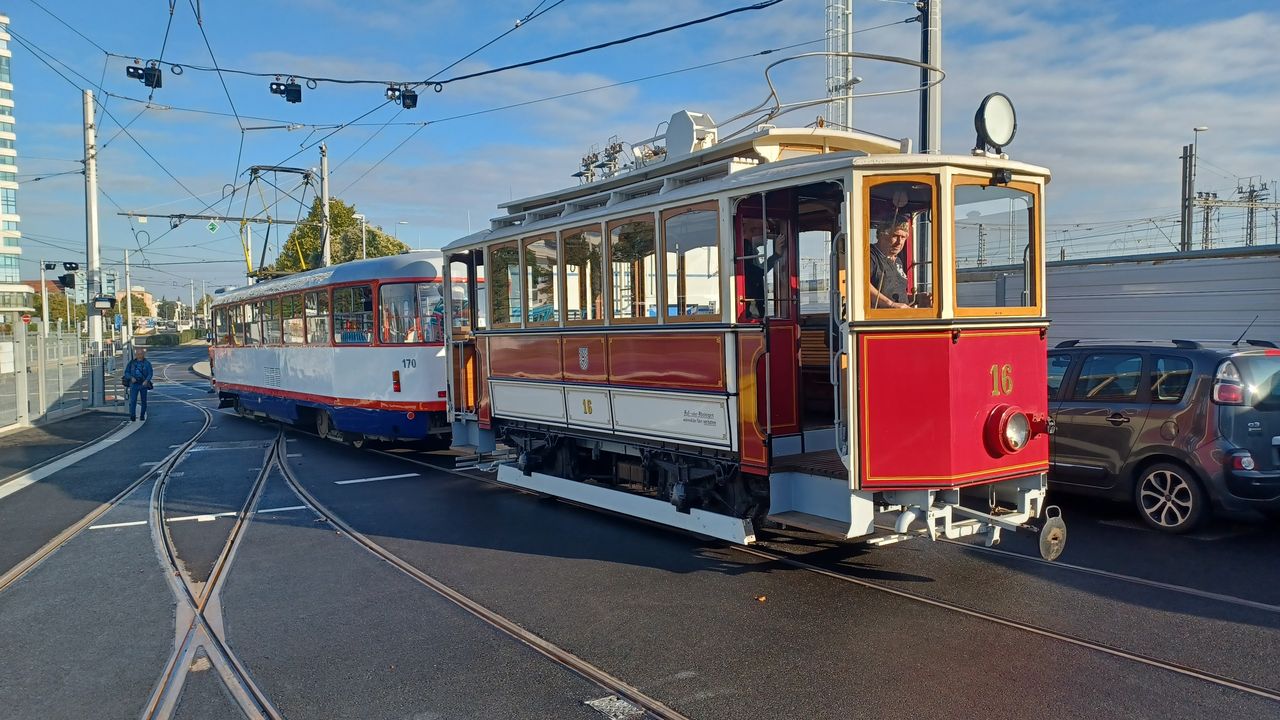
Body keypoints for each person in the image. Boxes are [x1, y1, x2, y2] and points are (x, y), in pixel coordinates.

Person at [869, 221, 911, 309]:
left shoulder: (897, 260)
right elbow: (862, 285)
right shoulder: (870, 255)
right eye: (895, 236)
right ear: (881, 235)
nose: (899, 242)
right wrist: (890, 304)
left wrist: (916, 298)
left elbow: (894, 295)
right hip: (878, 319)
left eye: (903, 237)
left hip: (900, 317)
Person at [122, 347, 154, 421]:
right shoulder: (131, 363)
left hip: (143, 384)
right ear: (135, 355)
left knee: (144, 400)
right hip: (134, 384)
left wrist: (146, 380)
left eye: (141, 354)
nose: (139, 356)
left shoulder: (147, 363)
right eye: (138, 354)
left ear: (143, 354)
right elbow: (126, 372)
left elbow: (150, 373)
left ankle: (142, 415)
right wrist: (130, 377)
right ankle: (132, 415)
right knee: (133, 400)